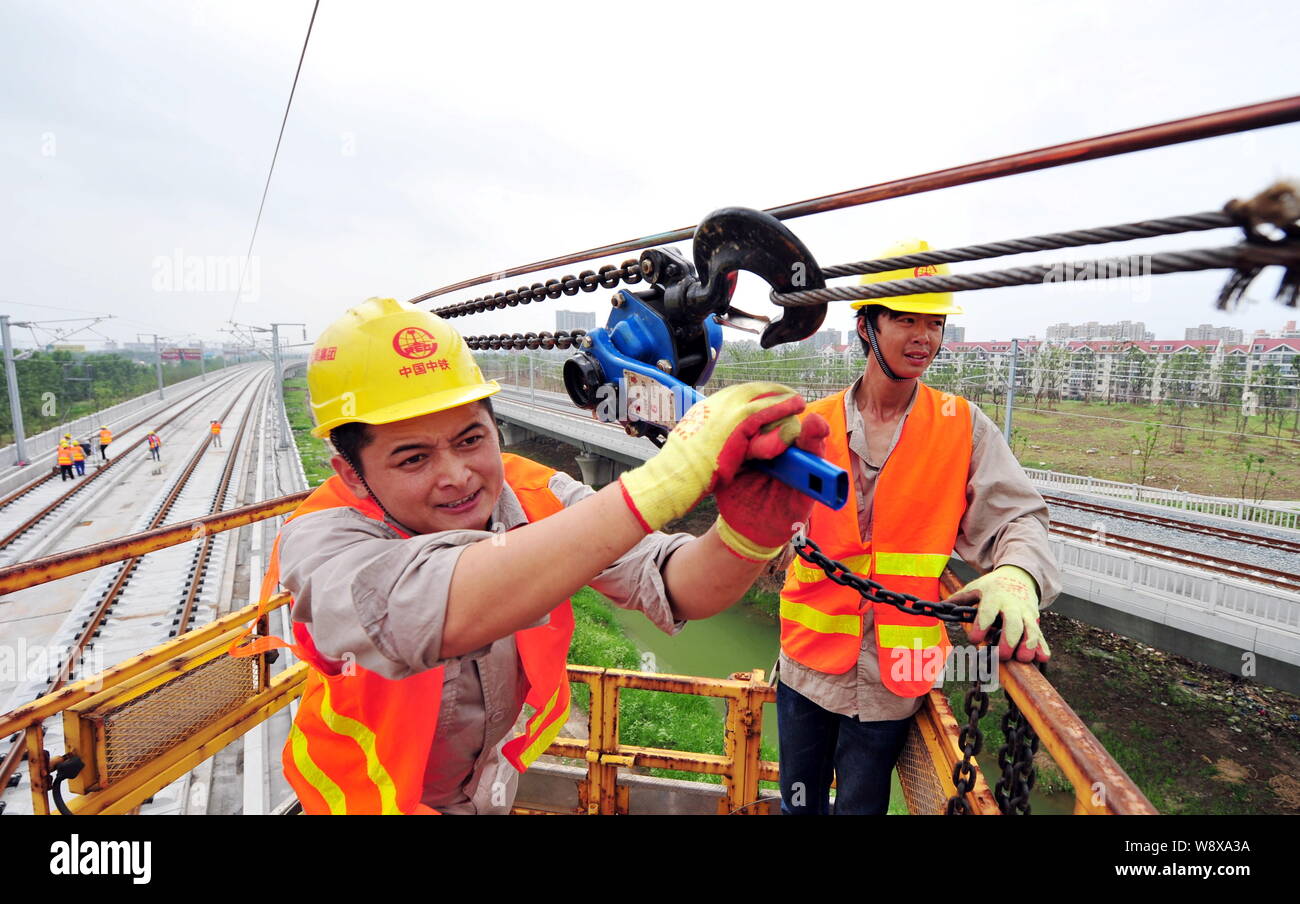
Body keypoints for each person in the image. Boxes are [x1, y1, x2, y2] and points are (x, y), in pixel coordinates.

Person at [234, 297, 828, 815]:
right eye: (413, 458)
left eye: (471, 439)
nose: (456, 476)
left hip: (487, 787)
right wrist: (662, 485)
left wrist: (746, 535)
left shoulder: (534, 495)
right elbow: (427, 606)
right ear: (353, 474)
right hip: (363, 800)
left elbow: (675, 585)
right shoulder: (322, 538)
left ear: (494, 426)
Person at [774, 239, 1060, 815]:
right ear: (865, 326)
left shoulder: (961, 427)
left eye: (934, 322)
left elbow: (1019, 517)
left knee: (861, 809)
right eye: (906, 319)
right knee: (798, 805)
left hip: (894, 679)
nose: (923, 337)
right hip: (807, 665)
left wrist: (1018, 577)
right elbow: (766, 521)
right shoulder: (812, 424)